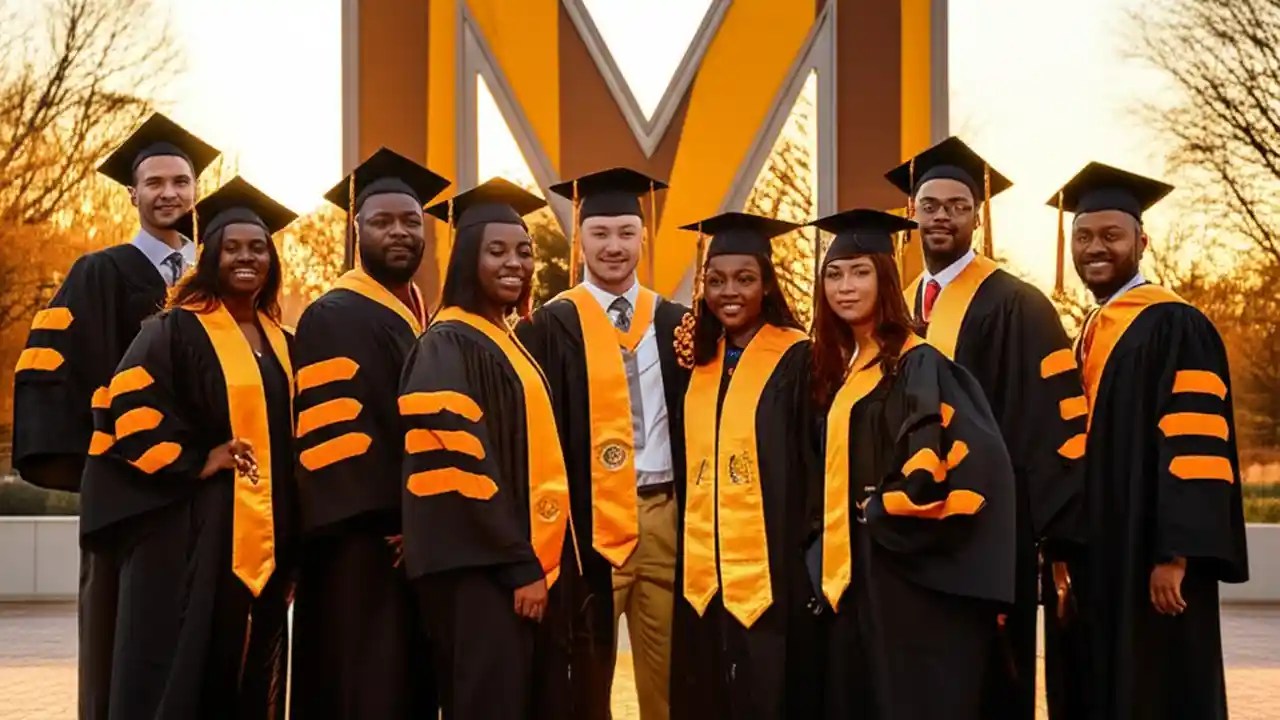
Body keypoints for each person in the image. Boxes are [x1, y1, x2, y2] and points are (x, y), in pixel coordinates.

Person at [9, 112, 219, 720]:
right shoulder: (99, 272)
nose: (169, 194)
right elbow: (51, 369)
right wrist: (100, 463)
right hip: (129, 487)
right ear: (133, 194)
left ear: (196, 190)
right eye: (155, 183)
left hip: (208, 488)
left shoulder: (218, 272)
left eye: (180, 182)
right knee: (122, 636)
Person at [78, 176, 299, 718]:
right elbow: (128, 403)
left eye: (258, 248)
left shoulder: (283, 340)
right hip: (199, 532)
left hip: (270, 534)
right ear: (210, 256)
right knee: (194, 660)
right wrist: (198, 459)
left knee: (258, 662)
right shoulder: (173, 329)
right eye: (232, 247)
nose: (246, 258)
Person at [885, 136, 1086, 719]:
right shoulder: (897, 307)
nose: (942, 216)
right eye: (930, 205)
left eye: (957, 205)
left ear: (978, 214)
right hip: (911, 529)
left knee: (989, 683)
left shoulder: (1016, 304)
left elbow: (1050, 424)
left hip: (991, 536)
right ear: (911, 213)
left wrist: (1041, 537)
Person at [1047, 163, 1248, 720]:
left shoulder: (1176, 325)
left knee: (1156, 689)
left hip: (1149, 557)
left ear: (1142, 240)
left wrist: (1175, 555)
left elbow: (1196, 441)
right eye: (1083, 237)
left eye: (1111, 236)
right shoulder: (1089, 330)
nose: (1095, 248)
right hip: (1098, 555)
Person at [811, 208, 1016, 720]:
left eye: (860, 272)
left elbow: (972, 462)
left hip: (902, 580)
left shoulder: (917, 363)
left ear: (885, 277)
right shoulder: (844, 368)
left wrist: (882, 510)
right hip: (855, 579)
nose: (845, 287)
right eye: (834, 274)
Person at [515, 167, 691, 720]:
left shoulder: (679, 324)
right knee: (585, 680)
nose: (613, 247)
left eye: (625, 233)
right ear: (580, 239)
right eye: (600, 234)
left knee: (671, 677)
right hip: (585, 527)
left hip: (666, 515)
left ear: (644, 237)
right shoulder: (548, 327)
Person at [289, 147, 450, 719]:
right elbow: (342, 441)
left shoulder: (417, 314)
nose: (401, 232)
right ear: (356, 230)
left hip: (411, 541)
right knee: (365, 687)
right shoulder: (336, 314)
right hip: (362, 548)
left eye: (412, 221)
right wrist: (401, 520)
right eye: (383, 222)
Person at [402, 178, 571, 719]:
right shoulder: (446, 343)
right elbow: (460, 464)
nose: (515, 263)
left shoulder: (504, 339)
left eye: (524, 251)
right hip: (480, 575)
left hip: (510, 571)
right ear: (467, 258)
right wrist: (520, 563)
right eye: (496, 251)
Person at [666, 212, 822, 719]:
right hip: (702, 577)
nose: (729, 291)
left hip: (774, 568)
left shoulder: (799, 359)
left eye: (745, 279)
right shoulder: (699, 362)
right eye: (716, 280)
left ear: (767, 287)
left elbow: (815, 464)